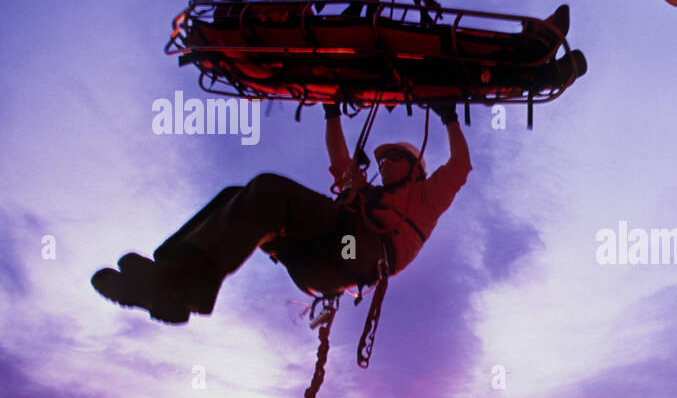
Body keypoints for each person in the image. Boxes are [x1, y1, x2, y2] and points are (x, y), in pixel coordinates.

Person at [91, 101, 471, 324]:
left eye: (393, 157)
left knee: (272, 189)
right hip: (320, 261)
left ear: (413, 166)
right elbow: (340, 161)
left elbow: (460, 167)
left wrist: (450, 117)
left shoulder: (426, 198)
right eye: (384, 156)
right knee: (240, 195)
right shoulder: (366, 193)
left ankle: (191, 283)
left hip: (358, 253)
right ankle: (170, 276)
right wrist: (332, 111)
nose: (384, 160)